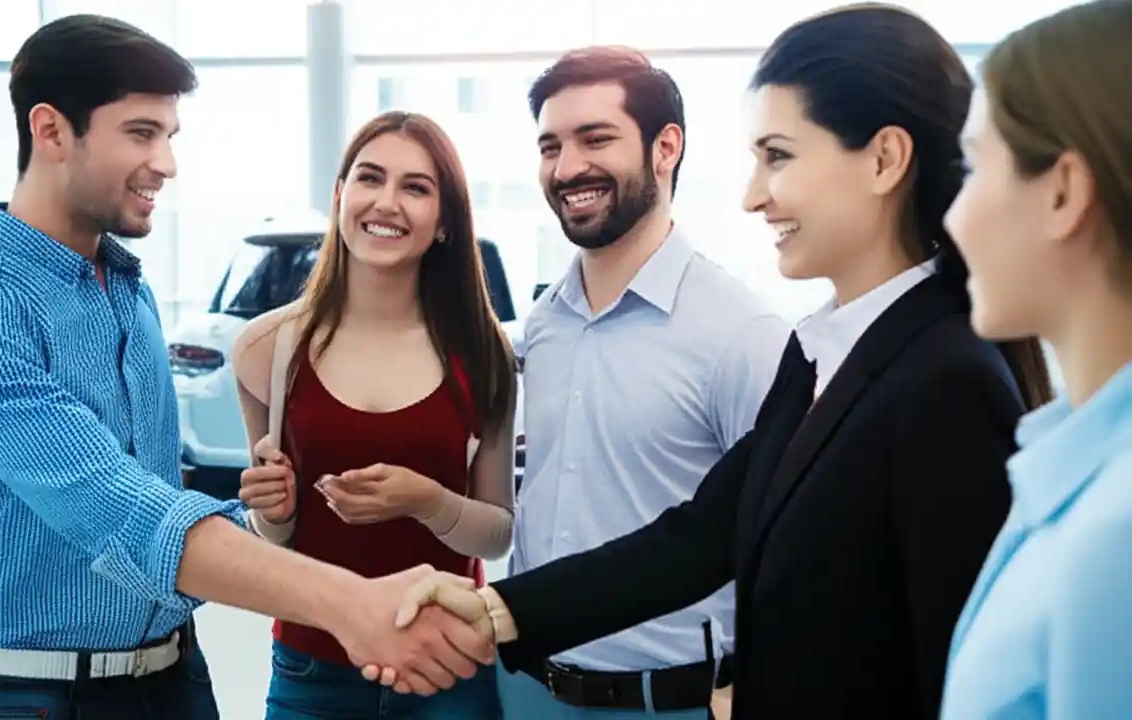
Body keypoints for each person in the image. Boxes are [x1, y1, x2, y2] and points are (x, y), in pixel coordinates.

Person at [383, 5, 1056, 719]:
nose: (752, 195)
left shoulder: (945, 377)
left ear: (885, 160)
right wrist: (497, 610)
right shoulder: (820, 353)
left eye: (779, 156)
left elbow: (957, 675)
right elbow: (696, 538)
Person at [0, 16, 492, 720]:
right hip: (41, 697)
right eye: (141, 132)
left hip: (176, 675)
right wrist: (351, 602)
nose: (167, 163)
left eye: (169, 137)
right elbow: (125, 511)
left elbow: (167, 494)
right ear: (52, 130)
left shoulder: (127, 290)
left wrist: (278, 515)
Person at [497, 46, 790, 718]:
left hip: (671, 703)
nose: (568, 169)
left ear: (666, 148)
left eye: (595, 139)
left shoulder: (741, 334)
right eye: (551, 146)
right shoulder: (542, 325)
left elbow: (782, 543)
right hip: (523, 691)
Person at [231, 111, 517, 720]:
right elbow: (274, 538)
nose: (386, 202)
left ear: (444, 222)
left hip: (449, 661)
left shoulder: (484, 353)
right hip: (313, 668)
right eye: (370, 178)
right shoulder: (266, 349)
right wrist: (272, 510)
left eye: (416, 188)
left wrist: (428, 501)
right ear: (339, 196)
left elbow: (497, 534)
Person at [939, 1, 1132, 717]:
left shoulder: (1118, 534)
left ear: (1062, 192)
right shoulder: (1077, 469)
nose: (953, 214)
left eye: (973, 165)